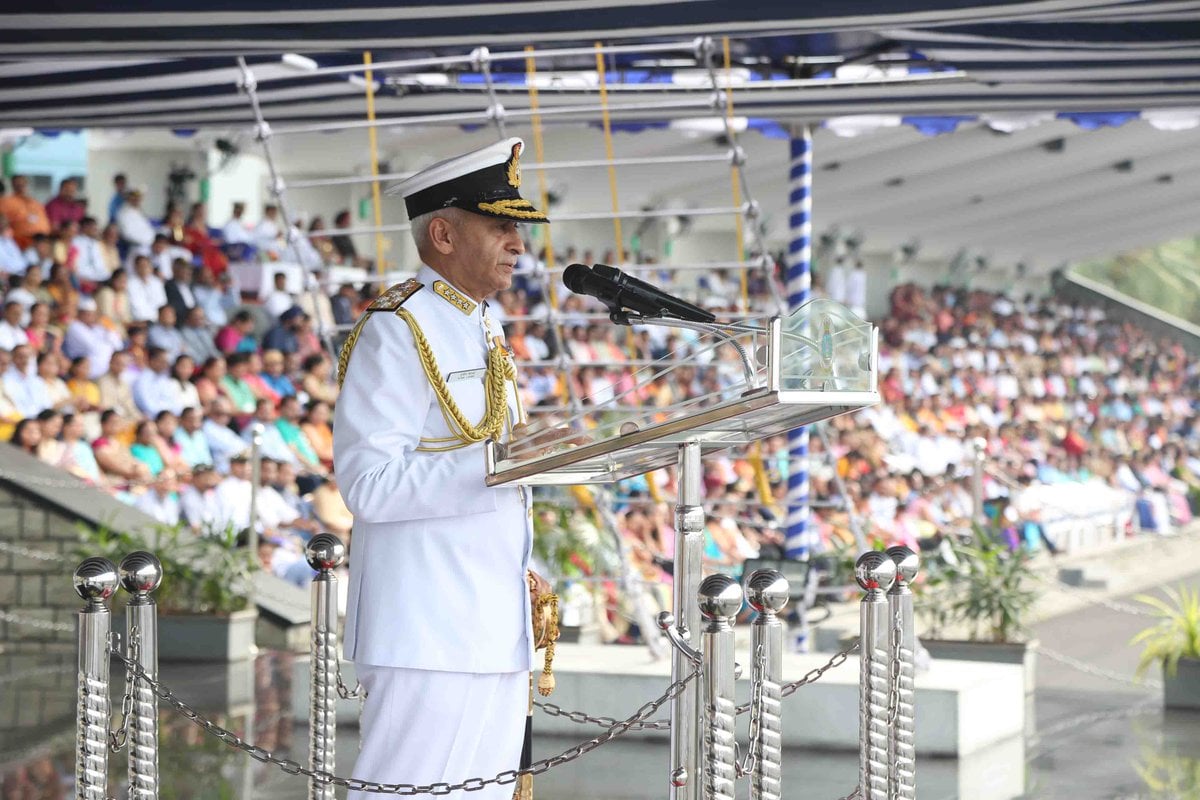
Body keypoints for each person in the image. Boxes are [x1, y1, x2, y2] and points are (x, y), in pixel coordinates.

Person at [333, 137, 550, 800]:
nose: (518, 244)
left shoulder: (481, 324)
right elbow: (367, 484)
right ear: (443, 234)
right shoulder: (398, 327)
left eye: (518, 230)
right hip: (426, 628)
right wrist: (497, 464)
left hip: (488, 624)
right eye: (501, 226)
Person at [0, 175, 50, 249]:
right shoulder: (6, 202)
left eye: (23, 183)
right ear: (12, 185)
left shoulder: (35, 202)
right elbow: (3, 222)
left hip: (43, 240)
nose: (20, 185)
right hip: (21, 242)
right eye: (17, 183)